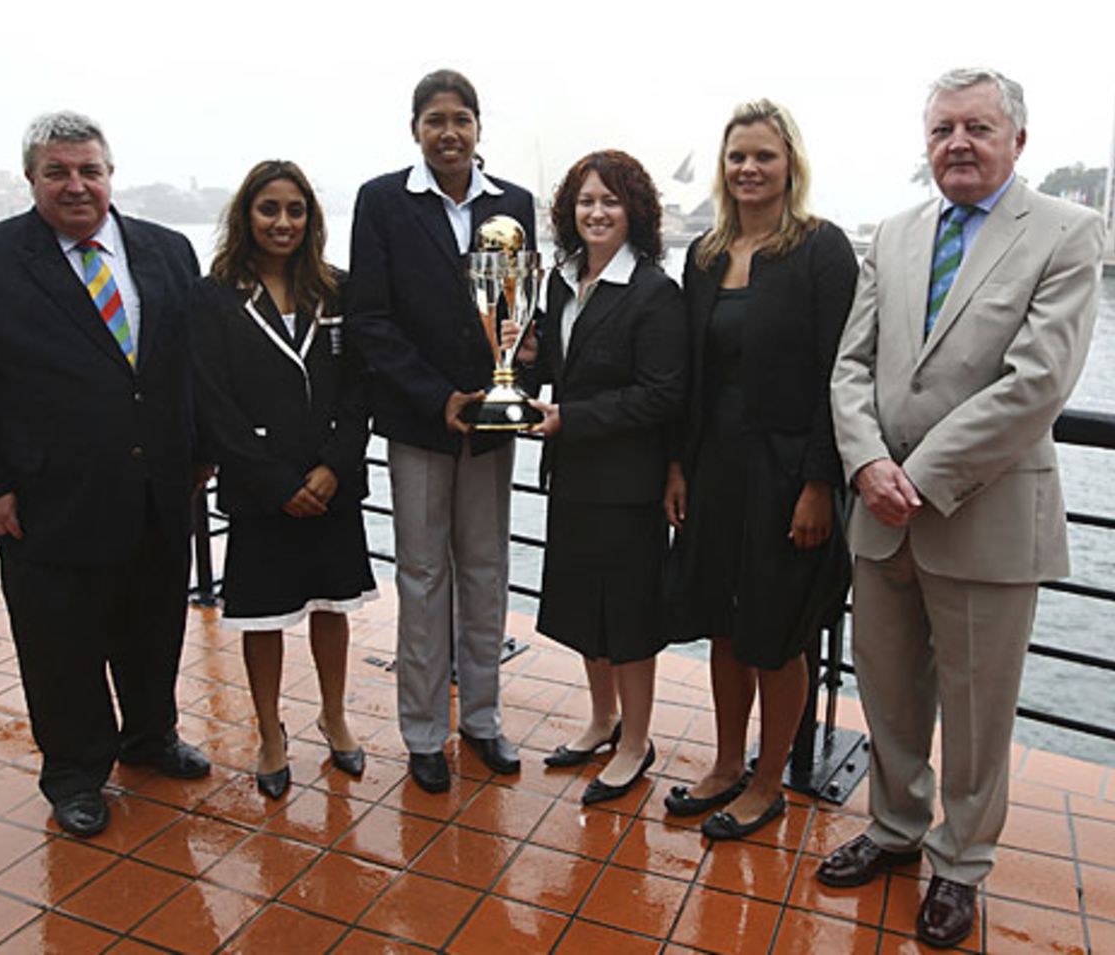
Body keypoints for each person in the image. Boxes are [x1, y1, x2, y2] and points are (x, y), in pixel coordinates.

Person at [823, 68, 1104, 948]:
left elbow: (1037, 384)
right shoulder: (894, 234)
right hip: (880, 513)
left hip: (982, 518)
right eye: (943, 128)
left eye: (977, 127)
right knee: (888, 691)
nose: (957, 143)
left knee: (979, 714)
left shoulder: (1068, 233)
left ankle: (961, 863)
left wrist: (915, 475)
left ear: (1018, 139)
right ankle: (895, 826)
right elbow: (851, 365)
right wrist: (867, 462)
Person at [0, 111, 210, 838]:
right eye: (58, 172)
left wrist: (202, 454)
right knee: (61, 644)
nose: (76, 185)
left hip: (157, 489)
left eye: (89, 170)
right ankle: (76, 773)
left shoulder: (169, 250)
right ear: (31, 178)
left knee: (154, 627)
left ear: (110, 175)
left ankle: (150, 735)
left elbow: (193, 361)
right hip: (45, 498)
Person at [661, 101, 857, 840]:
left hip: (787, 469)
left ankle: (769, 781)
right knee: (723, 620)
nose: (749, 168)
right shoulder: (705, 253)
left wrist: (819, 483)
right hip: (715, 464)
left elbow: (839, 374)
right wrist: (678, 465)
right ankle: (724, 764)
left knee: (776, 630)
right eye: (738, 156)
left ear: (789, 164)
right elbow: (692, 373)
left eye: (764, 156)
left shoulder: (821, 249)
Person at [347, 69, 536, 793]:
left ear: (479, 127)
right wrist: (437, 398)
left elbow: (516, 306)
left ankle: (482, 719)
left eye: (461, 119)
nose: (449, 132)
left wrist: (521, 359)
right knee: (423, 577)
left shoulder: (512, 203)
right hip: (420, 422)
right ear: (415, 130)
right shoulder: (382, 201)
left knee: (486, 573)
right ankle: (424, 733)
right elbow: (370, 318)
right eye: (435, 120)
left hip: (490, 424)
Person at [192, 160, 376, 798]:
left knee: (332, 607)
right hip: (260, 489)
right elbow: (213, 400)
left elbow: (360, 388)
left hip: (331, 485)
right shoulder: (214, 296)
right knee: (262, 617)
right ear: (246, 215)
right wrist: (274, 481)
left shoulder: (338, 290)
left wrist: (334, 465)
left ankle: (335, 716)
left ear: (311, 219)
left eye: (295, 210)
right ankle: (270, 732)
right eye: (269, 208)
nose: (283, 222)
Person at [516, 150, 686, 805]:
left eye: (610, 201)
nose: (597, 212)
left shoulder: (654, 292)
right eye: (586, 200)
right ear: (569, 210)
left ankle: (636, 741)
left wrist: (573, 417)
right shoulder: (561, 282)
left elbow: (662, 394)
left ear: (634, 211)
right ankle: (601, 719)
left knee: (630, 615)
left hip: (628, 483)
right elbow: (553, 370)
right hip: (574, 473)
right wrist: (525, 357)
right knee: (587, 605)